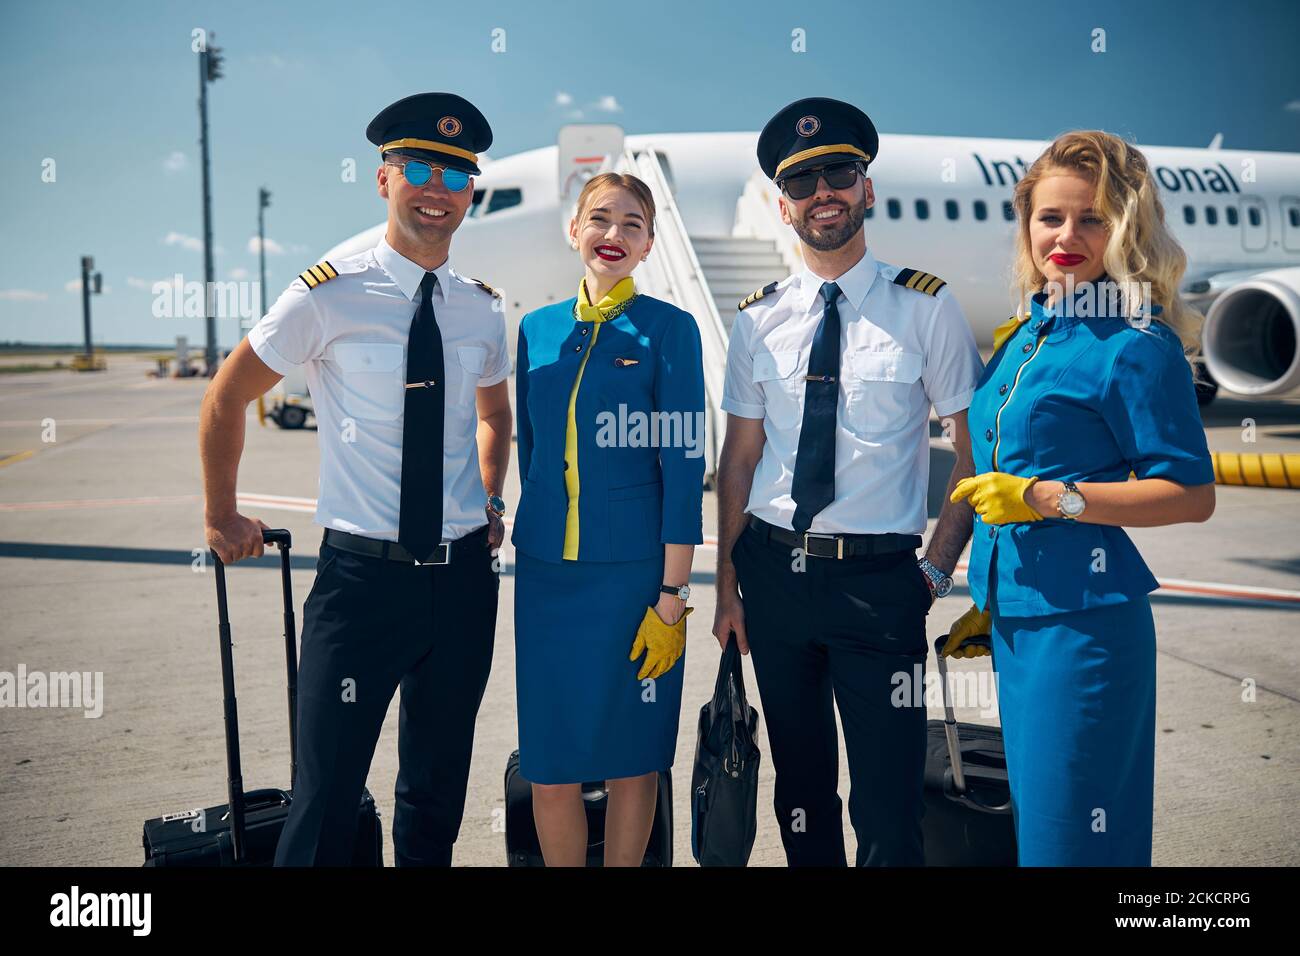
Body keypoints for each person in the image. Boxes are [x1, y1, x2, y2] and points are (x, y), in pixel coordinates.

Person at [200, 92, 512, 866]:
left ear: (469, 192)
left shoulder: (480, 310)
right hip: (361, 586)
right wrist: (221, 515)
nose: (436, 188)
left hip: (464, 583)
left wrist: (491, 496)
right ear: (384, 179)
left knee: (437, 792)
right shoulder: (327, 293)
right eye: (418, 168)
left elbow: (494, 417)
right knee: (326, 796)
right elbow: (227, 395)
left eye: (455, 174)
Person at [713, 97, 984, 866]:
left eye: (838, 172)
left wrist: (933, 570)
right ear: (784, 205)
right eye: (802, 182)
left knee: (889, 805)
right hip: (773, 576)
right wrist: (730, 586)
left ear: (866, 188)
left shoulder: (925, 308)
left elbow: (973, 450)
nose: (821, 191)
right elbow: (739, 459)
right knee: (800, 796)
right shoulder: (758, 319)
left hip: (881, 586)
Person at [942, 130, 1216, 866]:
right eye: (1050, 218)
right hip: (1015, 622)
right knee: (1039, 834)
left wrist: (1042, 497)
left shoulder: (1134, 342)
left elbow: (1190, 494)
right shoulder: (1024, 338)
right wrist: (987, 591)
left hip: (1086, 631)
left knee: (1072, 844)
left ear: (1123, 230)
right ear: (1025, 225)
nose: (1066, 236)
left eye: (1091, 219)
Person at [511, 172, 705, 866]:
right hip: (544, 580)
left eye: (631, 223)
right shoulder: (536, 329)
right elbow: (531, 455)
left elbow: (684, 470)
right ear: (574, 230)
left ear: (650, 242)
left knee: (633, 760)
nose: (613, 234)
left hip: (634, 582)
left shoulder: (671, 331)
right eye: (600, 219)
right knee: (550, 765)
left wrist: (672, 598)